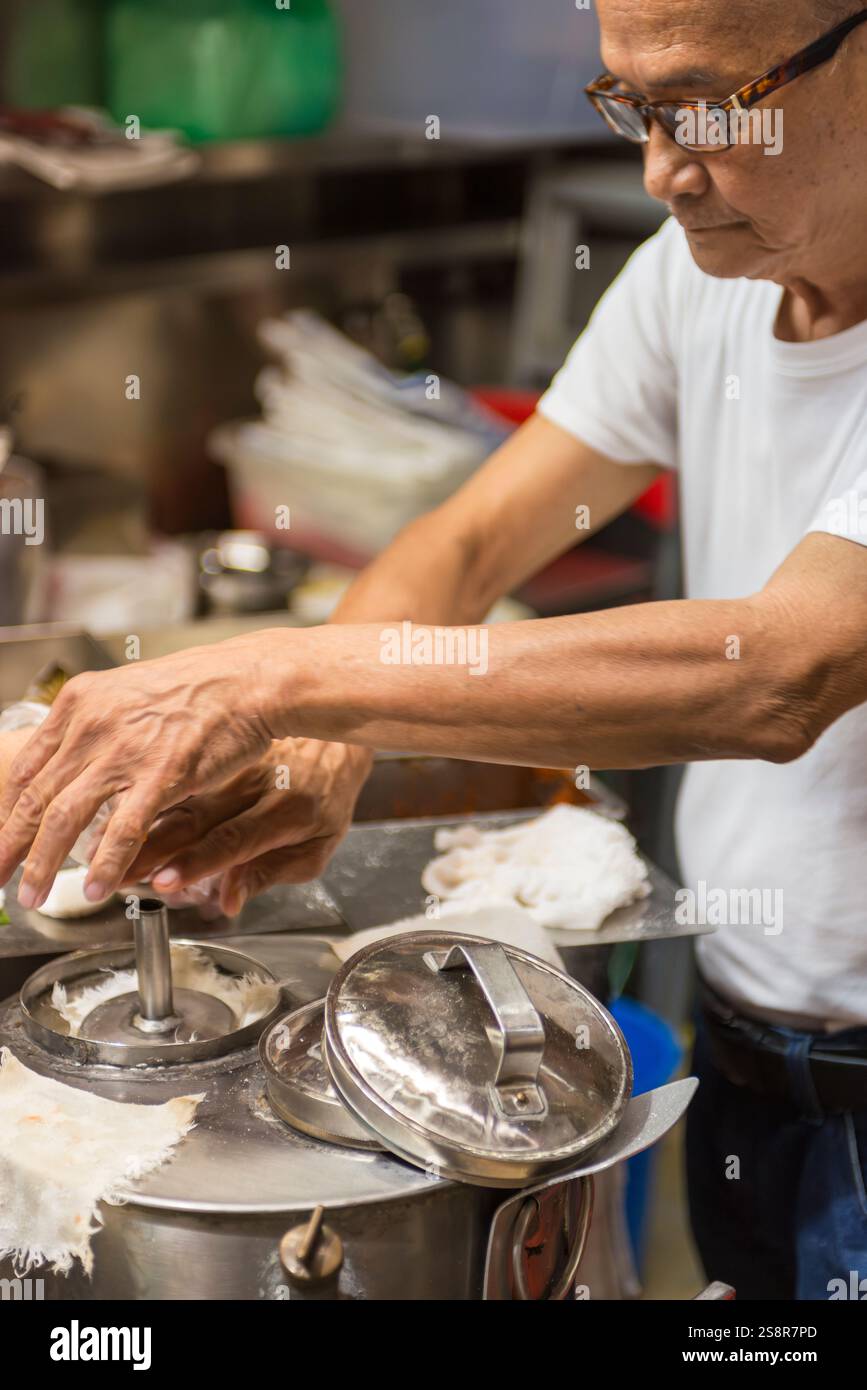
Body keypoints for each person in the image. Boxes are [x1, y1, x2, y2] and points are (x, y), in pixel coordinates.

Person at [1, 0, 866, 1298]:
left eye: (702, 105)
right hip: (753, 1059)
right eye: (630, 107)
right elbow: (464, 549)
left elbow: (773, 671)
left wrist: (271, 676)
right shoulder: (708, 274)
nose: (659, 169)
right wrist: (325, 745)